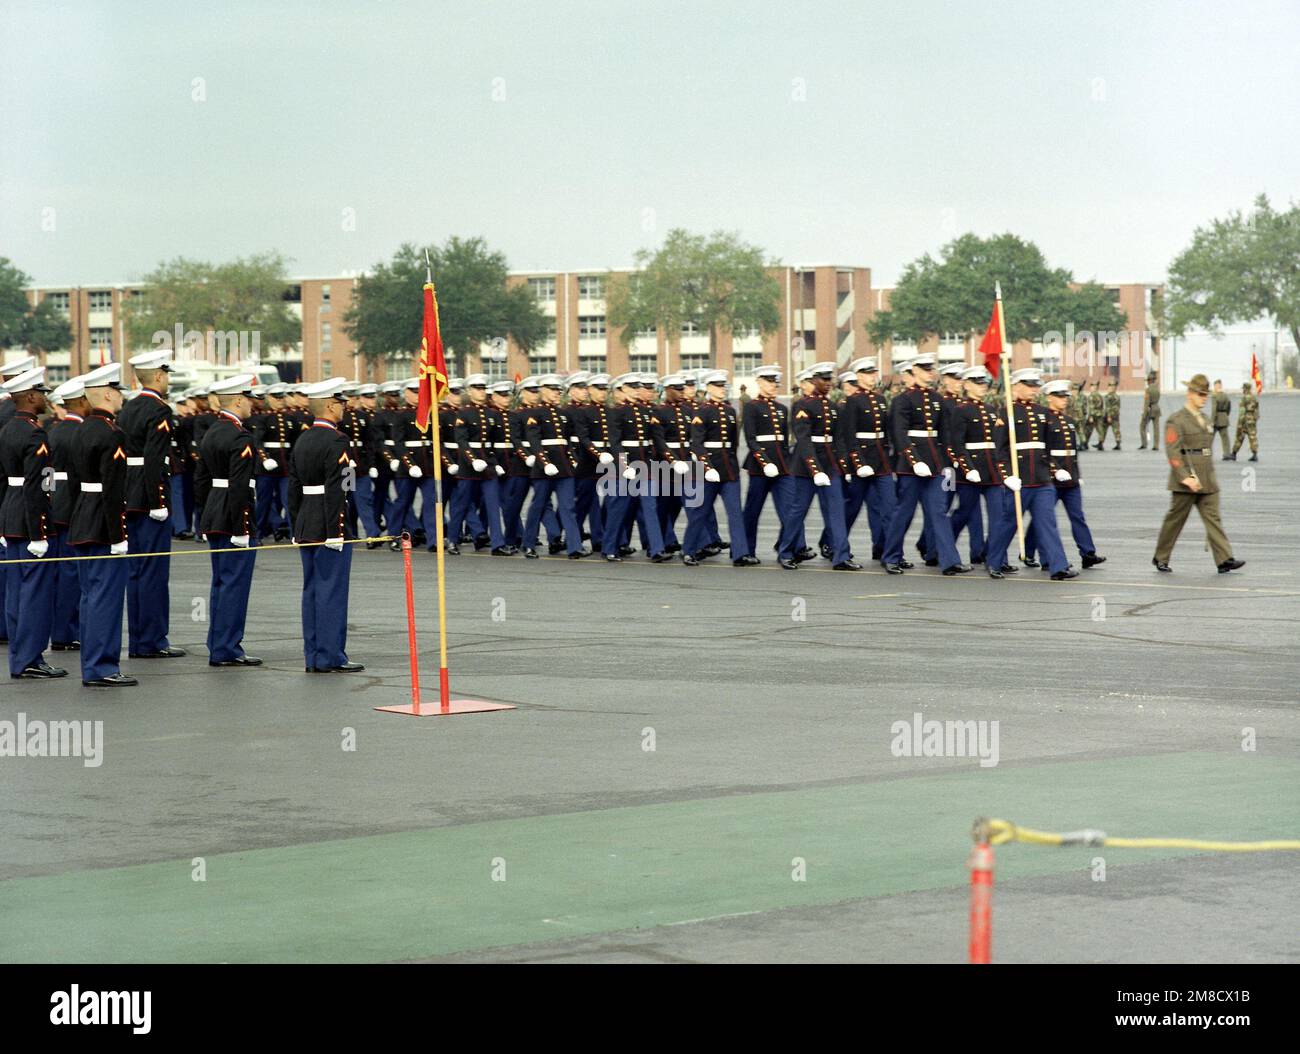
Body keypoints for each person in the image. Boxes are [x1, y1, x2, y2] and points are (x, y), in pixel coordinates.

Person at [287, 378, 364, 673]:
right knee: (331, 591)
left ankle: (314, 655)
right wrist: (337, 529)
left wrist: (296, 525)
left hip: (307, 520)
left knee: (312, 590)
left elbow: (293, 488)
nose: (345, 408)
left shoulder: (303, 439)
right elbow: (341, 488)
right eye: (341, 403)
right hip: (329, 522)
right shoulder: (338, 441)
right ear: (331, 406)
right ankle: (331, 656)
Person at [68, 363, 137, 687]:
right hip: (102, 523)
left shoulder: (80, 429)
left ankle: (92, 664)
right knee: (105, 598)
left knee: (89, 595)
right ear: (107, 394)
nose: (122, 397)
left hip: (83, 516)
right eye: (118, 391)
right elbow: (112, 489)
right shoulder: (112, 434)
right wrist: (118, 534)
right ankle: (102, 667)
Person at [118, 349, 186, 660]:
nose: (168, 379)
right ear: (158, 376)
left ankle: (141, 638)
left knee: (136, 571)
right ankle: (152, 640)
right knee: (154, 572)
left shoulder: (127, 408)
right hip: (148, 499)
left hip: (128, 495)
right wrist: (159, 500)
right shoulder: (159, 410)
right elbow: (155, 460)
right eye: (167, 374)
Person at [0, 367, 66, 679]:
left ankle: (21, 655)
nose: (44, 397)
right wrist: (40, 530)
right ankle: (29, 659)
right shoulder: (35, 433)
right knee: (35, 593)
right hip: (31, 519)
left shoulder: (7, 430)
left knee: (16, 592)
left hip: (11, 515)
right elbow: (41, 484)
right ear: (29, 396)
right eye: (40, 392)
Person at [983, 369, 1076, 581]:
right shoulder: (1006, 413)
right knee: (1008, 523)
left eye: (1036, 386)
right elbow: (1000, 450)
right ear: (1016, 386)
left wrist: (1056, 469)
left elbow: (1047, 449)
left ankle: (1058, 566)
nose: (1034, 390)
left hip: (1042, 479)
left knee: (1047, 522)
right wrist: (1006, 475)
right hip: (1019, 480)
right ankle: (994, 561)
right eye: (1029, 385)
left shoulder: (1043, 413)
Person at [195, 373, 263, 668]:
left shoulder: (212, 431)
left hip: (214, 511)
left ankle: (218, 643)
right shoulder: (239, 436)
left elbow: (200, 481)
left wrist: (204, 515)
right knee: (234, 583)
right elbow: (239, 486)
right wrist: (242, 526)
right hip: (233, 515)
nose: (252, 405)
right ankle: (227, 648)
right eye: (249, 399)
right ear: (237, 400)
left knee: (221, 581)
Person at [880, 356, 966, 575]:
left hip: (935, 463)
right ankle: (891, 557)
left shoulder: (938, 399)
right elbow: (899, 433)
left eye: (931, 370)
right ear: (914, 370)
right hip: (911, 466)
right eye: (926, 369)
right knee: (904, 512)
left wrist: (948, 463)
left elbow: (945, 435)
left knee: (939, 511)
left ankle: (949, 560)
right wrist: (914, 460)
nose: (930, 373)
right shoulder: (903, 400)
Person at [1153, 374, 1244, 574]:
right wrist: (1185, 476)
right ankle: (1160, 557)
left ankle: (1224, 559)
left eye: (1206, 395)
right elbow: (1173, 452)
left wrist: (1207, 476)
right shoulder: (1176, 420)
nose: (1204, 398)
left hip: (1207, 478)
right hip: (1186, 480)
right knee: (1175, 520)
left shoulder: (1206, 420)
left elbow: (1206, 449)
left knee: (1213, 518)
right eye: (1201, 394)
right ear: (1190, 394)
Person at [776, 362, 860, 571]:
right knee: (798, 510)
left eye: (830, 379)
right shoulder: (802, 405)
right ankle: (786, 552)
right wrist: (815, 469)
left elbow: (839, 440)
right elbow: (803, 440)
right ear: (814, 380)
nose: (829, 383)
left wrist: (844, 468)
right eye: (824, 379)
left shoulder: (832, 407)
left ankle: (841, 555)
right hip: (806, 467)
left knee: (836, 510)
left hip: (830, 465)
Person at [684, 370, 755, 566]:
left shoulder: (730, 411)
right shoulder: (702, 411)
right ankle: (689, 550)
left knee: (735, 513)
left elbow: (732, 443)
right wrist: (707, 467)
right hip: (708, 470)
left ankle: (740, 553)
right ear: (708, 388)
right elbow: (696, 444)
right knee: (700, 511)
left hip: (728, 469)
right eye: (717, 386)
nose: (721, 389)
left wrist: (732, 465)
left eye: (723, 386)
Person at [1041, 379, 1105, 568]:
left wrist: (1078, 475)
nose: (1065, 400)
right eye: (1060, 397)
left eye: (1066, 396)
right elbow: (1042, 451)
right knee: (1044, 518)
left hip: (1071, 479)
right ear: (1050, 398)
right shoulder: (1044, 421)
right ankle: (1039, 556)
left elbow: (1073, 453)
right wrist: (1055, 470)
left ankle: (1088, 553)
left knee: (1077, 516)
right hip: (1052, 479)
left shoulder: (1068, 422)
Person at [741, 364, 802, 560]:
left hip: (783, 466)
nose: (774, 385)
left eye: (776, 381)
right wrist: (765, 462)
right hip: (760, 468)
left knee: (789, 509)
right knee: (752, 511)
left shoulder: (782, 408)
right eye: (769, 381)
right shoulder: (751, 407)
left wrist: (788, 464)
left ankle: (789, 548)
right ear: (758, 382)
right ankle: (746, 550)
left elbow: (783, 441)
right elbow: (751, 439)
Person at [839, 356, 896, 562]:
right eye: (867, 374)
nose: (872, 378)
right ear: (858, 377)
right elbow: (849, 435)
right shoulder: (852, 402)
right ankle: (836, 546)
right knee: (851, 509)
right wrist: (857, 462)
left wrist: (890, 455)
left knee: (890, 508)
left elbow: (886, 432)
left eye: (873, 373)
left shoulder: (880, 400)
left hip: (881, 461)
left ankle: (891, 555)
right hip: (861, 462)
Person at [521, 374, 585, 558]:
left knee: (568, 507)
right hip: (544, 468)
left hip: (564, 468)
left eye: (559, 390)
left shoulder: (563, 414)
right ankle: (528, 544)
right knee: (538, 506)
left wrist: (573, 461)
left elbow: (569, 442)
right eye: (553, 390)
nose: (558, 393)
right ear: (543, 391)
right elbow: (534, 441)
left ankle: (574, 546)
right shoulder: (535, 414)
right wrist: (545, 462)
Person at [47, 377, 87, 651]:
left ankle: (62, 630)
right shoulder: (80, 433)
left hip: (56, 504)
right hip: (75, 504)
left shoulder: (53, 431)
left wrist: (49, 496)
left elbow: (45, 472)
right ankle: (66, 631)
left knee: (62, 571)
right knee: (73, 573)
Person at [1228, 382, 1259, 461]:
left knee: (1239, 437)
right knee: (1253, 437)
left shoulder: (1244, 398)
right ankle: (1255, 454)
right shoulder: (1254, 398)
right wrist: (1255, 419)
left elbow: (1242, 411)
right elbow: (1257, 410)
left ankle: (1234, 453)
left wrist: (1239, 423)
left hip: (1245, 419)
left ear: (1245, 389)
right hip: (1252, 419)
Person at [1138, 371, 1161, 450]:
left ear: (1150, 380)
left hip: (1150, 409)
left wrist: (1144, 414)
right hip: (1157, 408)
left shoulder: (1148, 390)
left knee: (1142, 426)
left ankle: (1144, 444)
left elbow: (1146, 403)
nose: (1147, 382)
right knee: (1156, 428)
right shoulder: (1157, 389)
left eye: (1148, 380)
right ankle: (1156, 445)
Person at [1211, 380, 1232, 458]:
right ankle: (1227, 454)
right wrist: (1225, 415)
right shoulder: (1225, 395)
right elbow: (1229, 407)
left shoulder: (1215, 396)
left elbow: (1214, 409)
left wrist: (1212, 421)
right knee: (1225, 438)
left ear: (1216, 386)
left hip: (1216, 419)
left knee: (1209, 438)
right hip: (1224, 418)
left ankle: (1207, 454)